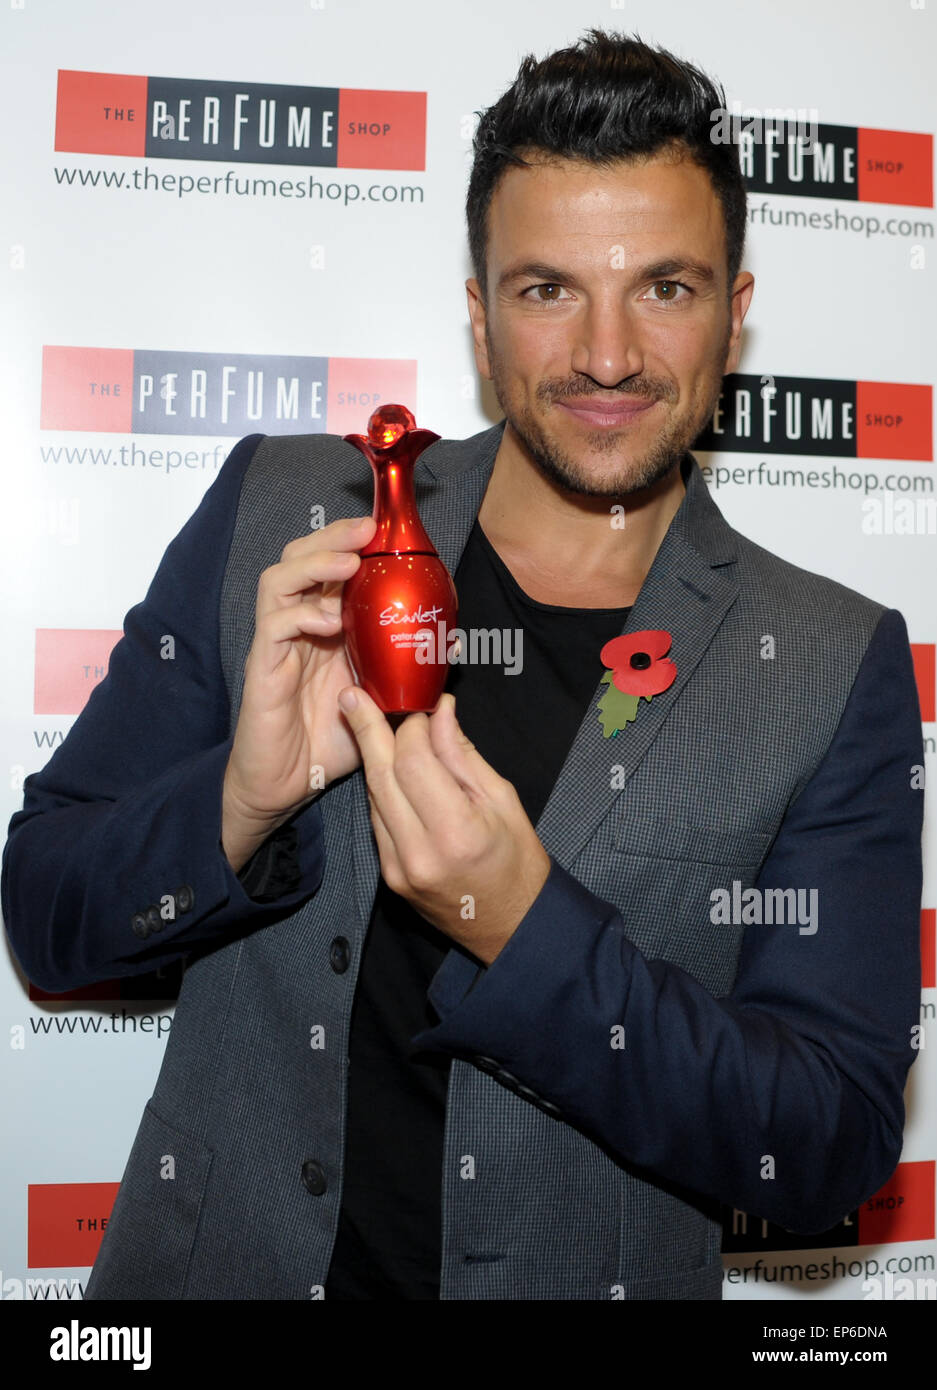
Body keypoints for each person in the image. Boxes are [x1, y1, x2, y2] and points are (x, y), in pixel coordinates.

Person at [1, 30, 923, 1301]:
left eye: (664, 286)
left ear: (734, 313)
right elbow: (48, 920)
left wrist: (522, 925)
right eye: (548, 289)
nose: (607, 355)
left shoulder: (826, 659)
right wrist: (238, 804)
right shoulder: (285, 518)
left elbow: (824, 1144)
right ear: (481, 316)